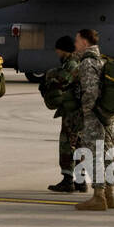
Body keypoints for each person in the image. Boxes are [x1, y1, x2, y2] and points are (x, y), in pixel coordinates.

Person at [72, 28, 114, 212]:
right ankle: (109, 195)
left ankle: (98, 196)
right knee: (106, 154)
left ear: (84, 42)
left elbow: (90, 92)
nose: (75, 44)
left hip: (94, 116)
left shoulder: (87, 63)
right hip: (106, 116)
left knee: (95, 154)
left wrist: (87, 111)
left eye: (77, 40)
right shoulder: (101, 60)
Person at [46, 35, 87, 193]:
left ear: (63, 50)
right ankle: (81, 180)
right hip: (79, 109)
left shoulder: (71, 63)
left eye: (58, 50)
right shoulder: (78, 60)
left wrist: (51, 76)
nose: (57, 53)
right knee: (79, 144)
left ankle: (68, 180)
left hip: (73, 111)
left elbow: (64, 80)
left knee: (67, 144)